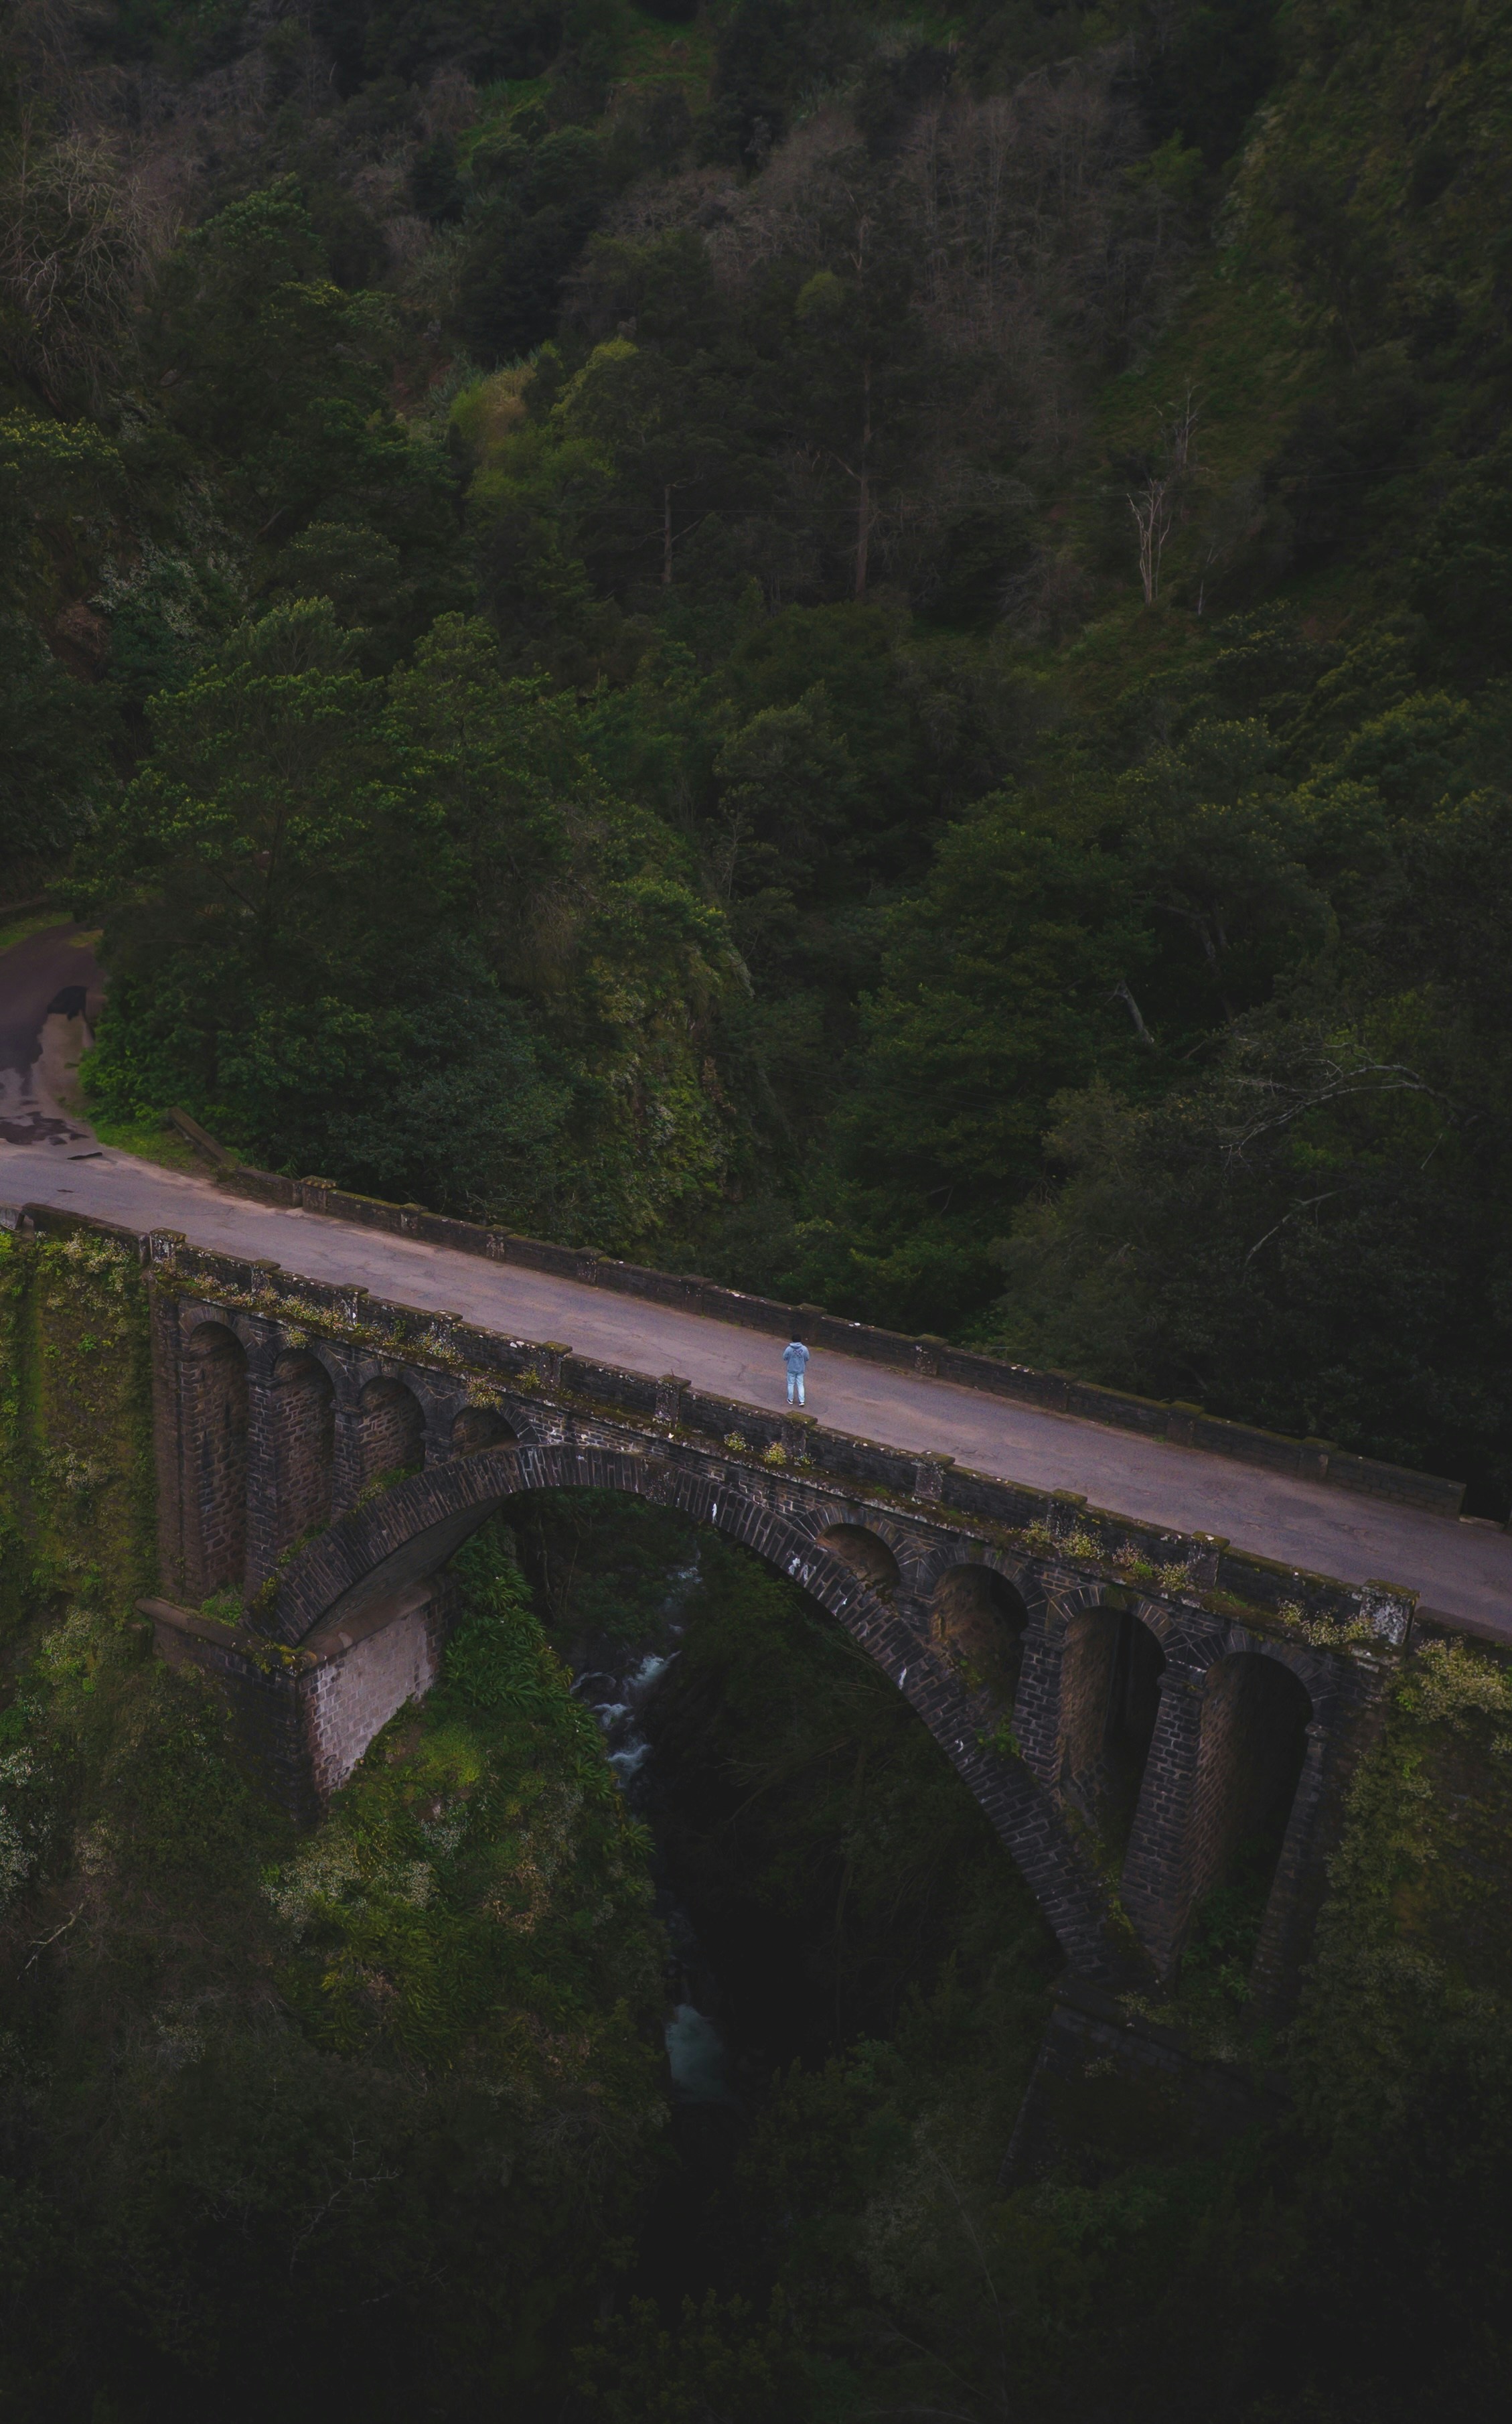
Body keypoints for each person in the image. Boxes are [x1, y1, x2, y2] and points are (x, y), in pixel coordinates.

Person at [783, 1336, 810, 1407]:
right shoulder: (804, 1349)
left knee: (791, 1384)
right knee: (800, 1385)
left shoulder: (789, 1349)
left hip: (791, 1369)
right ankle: (802, 1401)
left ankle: (790, 1399)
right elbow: (807, 1358)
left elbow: (785, 1357)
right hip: (801, 1369)